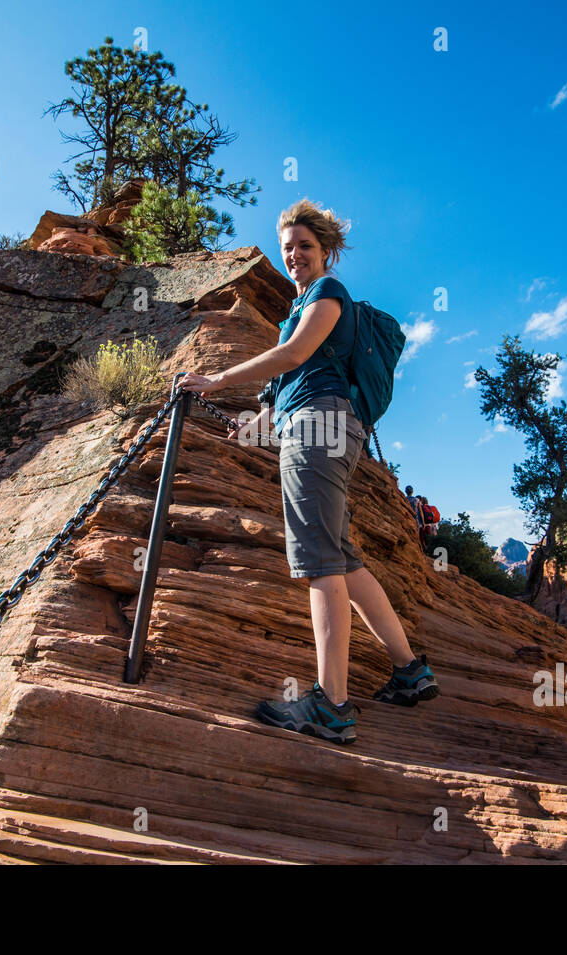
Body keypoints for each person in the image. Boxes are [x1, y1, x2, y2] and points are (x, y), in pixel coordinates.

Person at [178, 198, 438, 745]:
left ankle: (332, 705)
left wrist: (217, 380)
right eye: (288, 247)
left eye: (306, 246)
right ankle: (410, 671)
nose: (295, 255)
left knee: (319, 563)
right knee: (341, 557)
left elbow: (296, 357)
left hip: (320, 430)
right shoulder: (294, 311)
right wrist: (253, 428)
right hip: (318, 426)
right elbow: (288, 387)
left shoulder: (327, 295)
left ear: (327, 252)